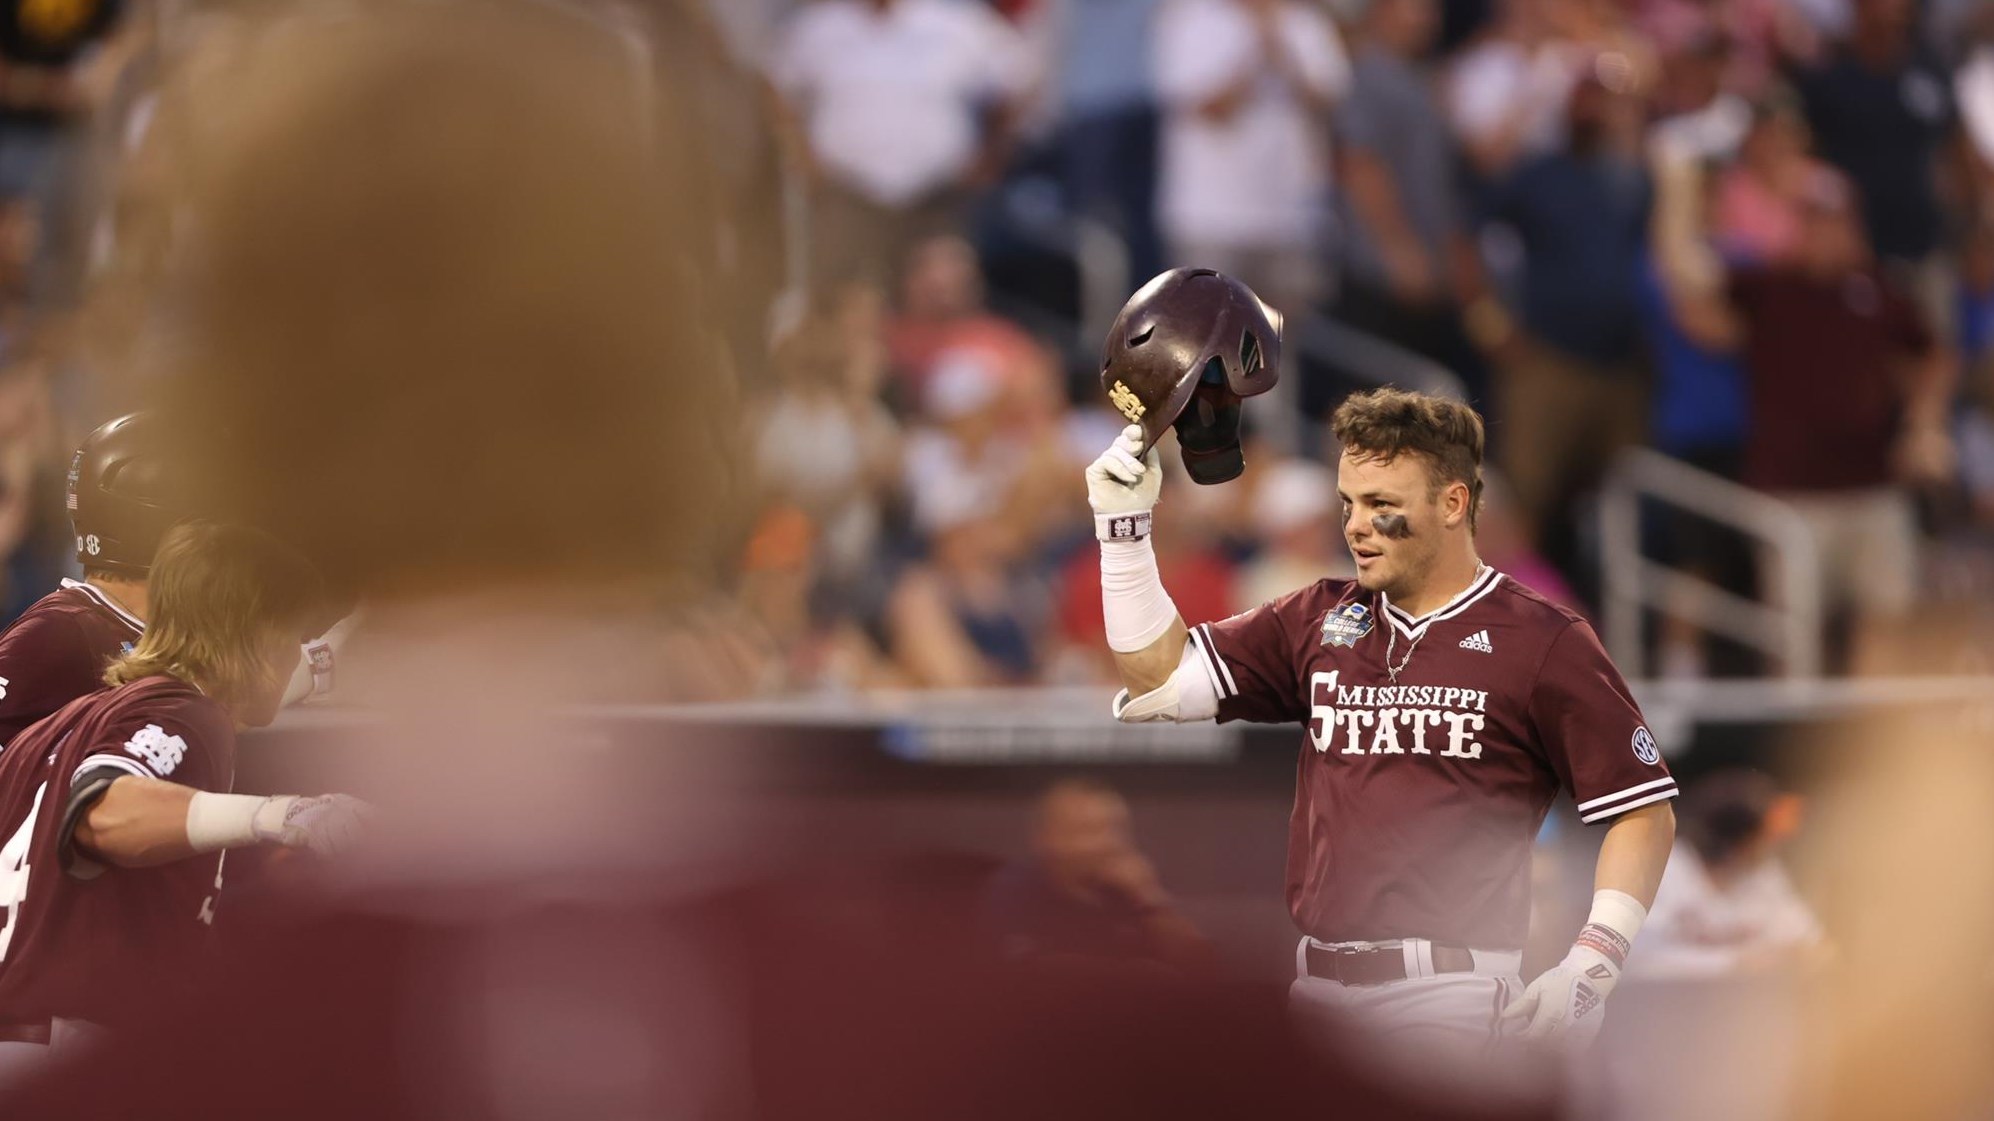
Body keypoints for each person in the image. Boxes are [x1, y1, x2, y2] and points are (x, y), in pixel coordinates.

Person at [1086, 382, 1676, 1079]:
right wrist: (1123, 532)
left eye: (1382, 505)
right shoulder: (1317, 615)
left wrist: (1592, 963)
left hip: (1450, 996)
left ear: (1453, 503)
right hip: (1314, 994)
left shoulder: (1544, 638)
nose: (1356, 525)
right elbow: (1159, 678)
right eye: (1348, 502)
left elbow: (1643, 808)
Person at [0, 520, 365, 1057]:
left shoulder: (72, 718)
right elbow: (102, 811)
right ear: (260, 636)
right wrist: (280, 815)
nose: (294, 657)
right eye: (290, 636)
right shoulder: (188, 714)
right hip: (61, 1050)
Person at [0, 413, 346, 747]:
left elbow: (230, 698)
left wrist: (337, 653)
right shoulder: (53, 634)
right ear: (171, 530)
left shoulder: (158, 630)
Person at [983, 778, 1212, 972]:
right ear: (1046, 838)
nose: (1109, 844)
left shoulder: (1126, 890)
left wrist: (1149, 897)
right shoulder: (1016, 887)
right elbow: (1024, 971)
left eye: (1116, 829)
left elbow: (1201, 966)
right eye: (1090, 831)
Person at [1632, 769, 1825, 980]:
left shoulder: (1762, 871)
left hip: (1750, 1002)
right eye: (1760, 839)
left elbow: (1806, 938)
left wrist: (1810, 951)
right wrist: (1732, 963)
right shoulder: (1660, 872)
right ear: (1732, 843)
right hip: (1666, 1004)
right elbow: (1640, 961)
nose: (1771, 845)